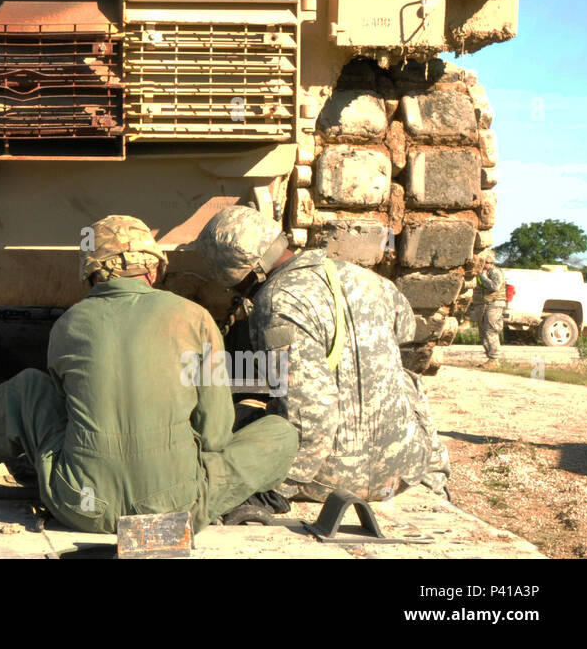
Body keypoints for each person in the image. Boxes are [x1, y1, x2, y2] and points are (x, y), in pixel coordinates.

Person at [0, 214, 298, 534]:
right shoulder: (196, 319)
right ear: (153, 269)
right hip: (176, 509)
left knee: (28, 387)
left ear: (91, 275)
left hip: (80, 506)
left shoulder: (69, 324)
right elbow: (215, 434)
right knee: (279, 433)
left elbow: (62, 413)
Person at [192, 205, 450, 502]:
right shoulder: (370, 280)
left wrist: (280, 487)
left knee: (242, 416)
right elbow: (404, 332)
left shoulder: (276, 302)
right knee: (404, 379)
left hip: (331, 482)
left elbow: (312, 410)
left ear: (243, 274)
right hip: (404, 468)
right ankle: (434, 469)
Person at [472, 252, 507, 365]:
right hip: (483, 304)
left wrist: (483, 276)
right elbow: (481, 284)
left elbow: (495, 286)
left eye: (486, 262)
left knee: (490, 330)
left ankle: (494, 358)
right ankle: (490, 358)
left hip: (494, 303)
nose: (484, 265)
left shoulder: (495, 272)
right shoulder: (482, 273)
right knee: (483, 331)